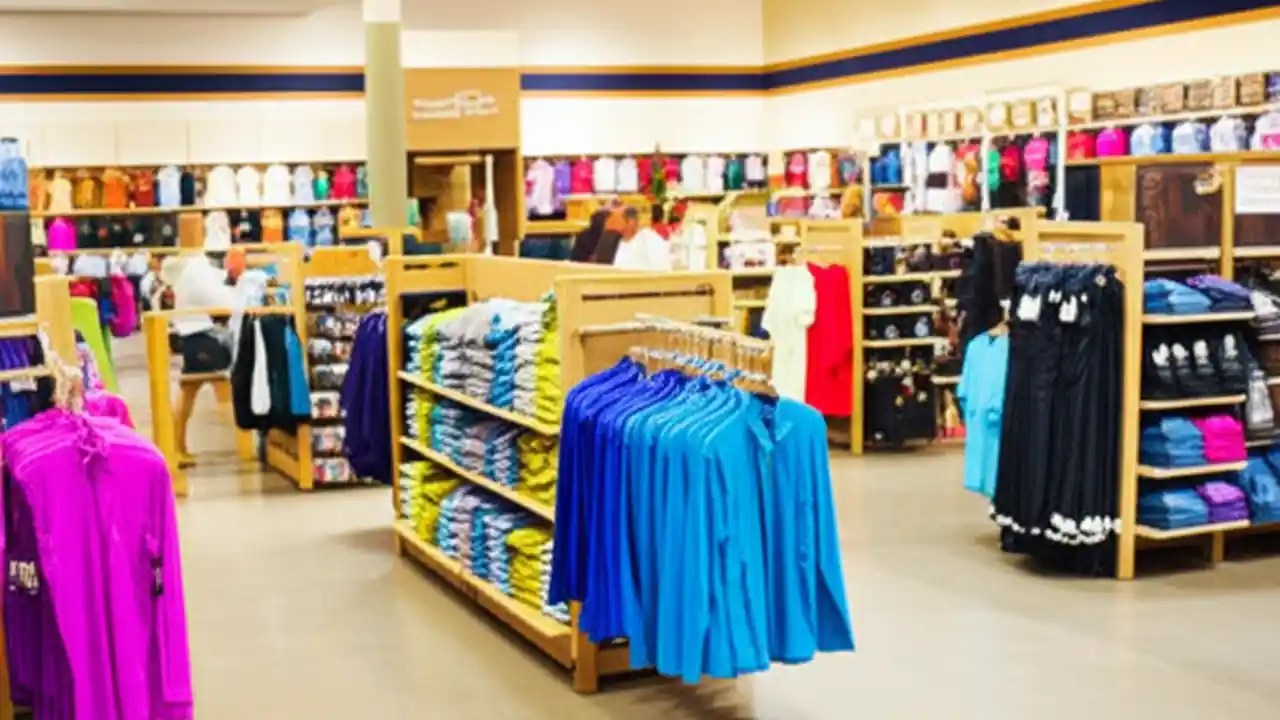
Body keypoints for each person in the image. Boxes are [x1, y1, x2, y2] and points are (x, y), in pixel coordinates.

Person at [161, 254, 240, 466]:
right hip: (202, 337)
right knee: (224, 393)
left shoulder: (185, 280)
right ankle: (245, 442)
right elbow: (218, 300)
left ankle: (177, 447)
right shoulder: (196, 273)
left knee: (189, 395)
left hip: (193, 337)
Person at [611, 206, 672, 271]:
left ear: (632, 222)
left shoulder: (649, 239)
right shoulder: (618, 241)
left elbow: (662, 267)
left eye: (620, 223)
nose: (618, 228)